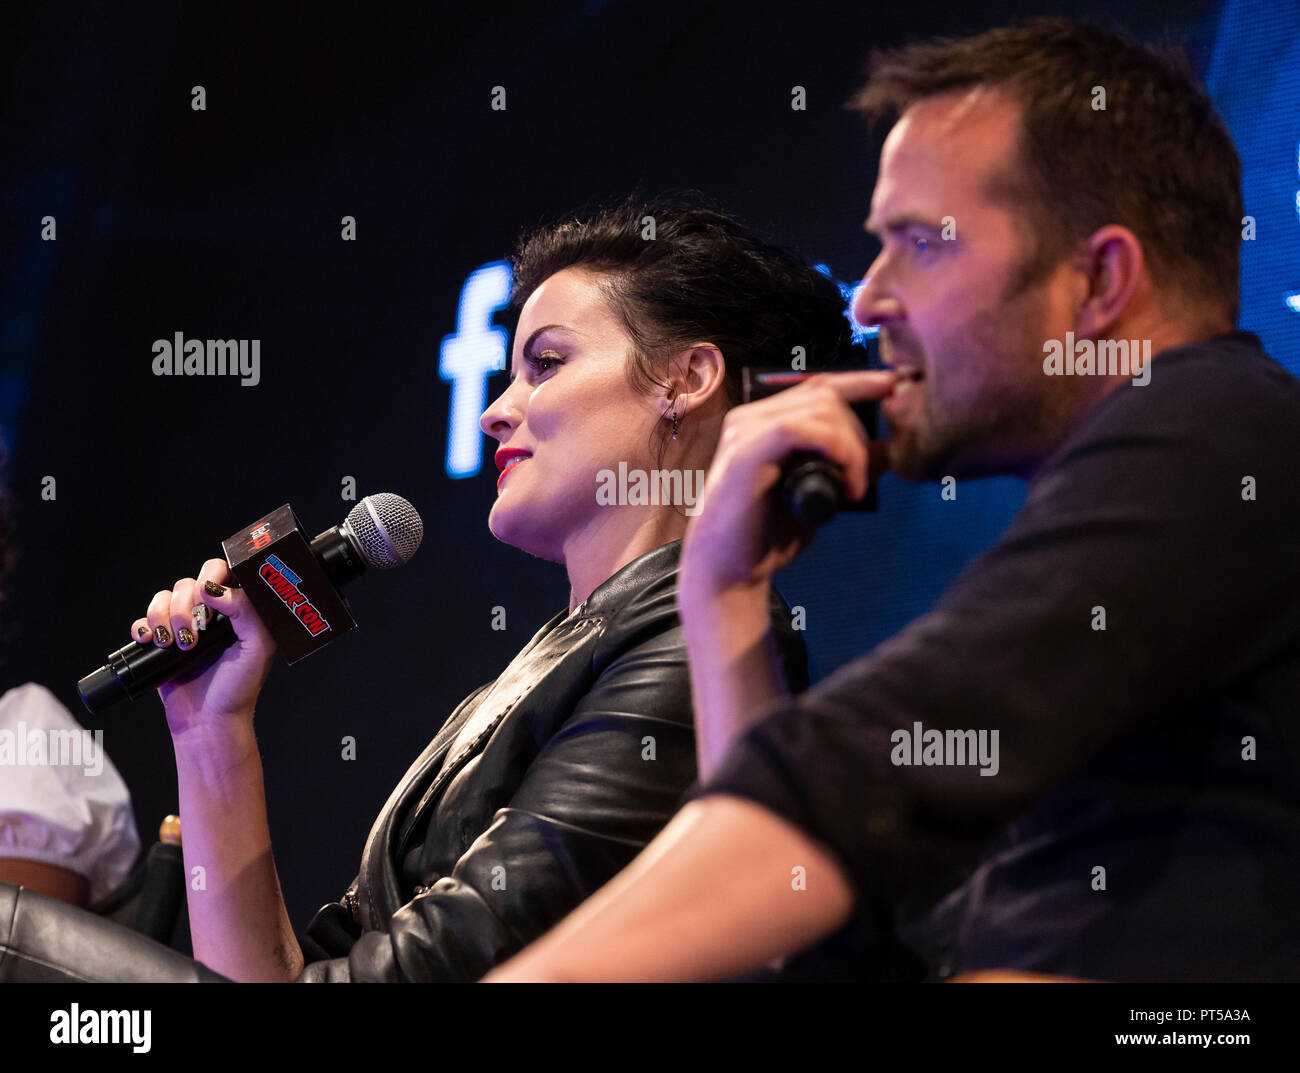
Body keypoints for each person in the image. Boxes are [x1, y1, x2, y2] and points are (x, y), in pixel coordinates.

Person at [485, 19, 1300, 983]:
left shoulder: (1216, 424)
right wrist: (721, 597)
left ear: (1100, 281)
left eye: (921, 243)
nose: (868, 298)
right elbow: (812, 945)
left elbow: (853, 777)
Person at [1, 192, 874, 982]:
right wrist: (210, 729)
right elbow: (265, 977)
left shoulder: (692, 648)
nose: (497, 407)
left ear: (686, 380)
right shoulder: (570, 653)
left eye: (546, 363)